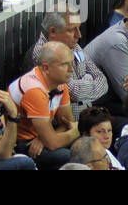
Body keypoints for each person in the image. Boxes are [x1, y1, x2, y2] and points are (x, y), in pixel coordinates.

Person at [8, 40, 78, 170]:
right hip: (21, 144)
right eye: (65, 65)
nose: (71, 69)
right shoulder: (34, 90)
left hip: (41, 137)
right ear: (46, 68)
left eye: (71, 63)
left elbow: (67, 123)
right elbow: (53, 142)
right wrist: (76, 131)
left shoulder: (60, 82)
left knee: (88, 144)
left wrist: (44, 138)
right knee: (72, 157)